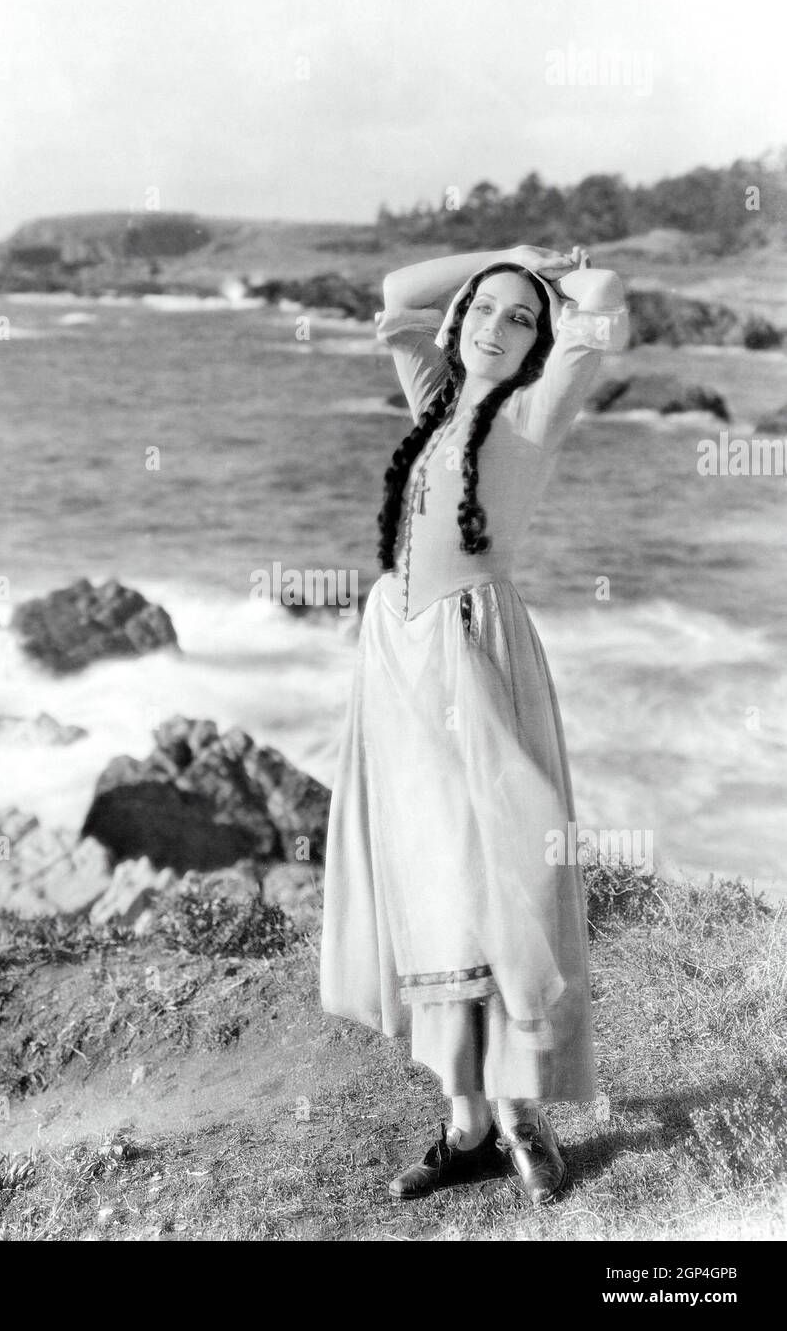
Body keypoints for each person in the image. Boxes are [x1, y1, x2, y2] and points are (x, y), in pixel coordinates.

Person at [319, 243, 629, 1203]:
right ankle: (465, 1125)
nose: (495, 329)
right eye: (483, 312)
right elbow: (394, 294)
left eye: (519, 319)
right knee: (432, 880)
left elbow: (605, 300)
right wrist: (503, 259)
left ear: (539, 344)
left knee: (508, 875)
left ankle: (521, 1108)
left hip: (475, 654)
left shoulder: (534, 415)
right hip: (397, 661)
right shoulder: (433, 401)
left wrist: (549, 271)